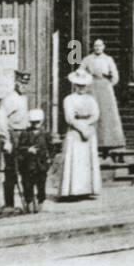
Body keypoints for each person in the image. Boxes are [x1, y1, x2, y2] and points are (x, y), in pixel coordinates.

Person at [60, 69, 101, 198]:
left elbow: (95, 114)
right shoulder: (69, 99)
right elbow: (69, 118)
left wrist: (87, 124)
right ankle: (73, 190)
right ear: (74, 85)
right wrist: (80, 127)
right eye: (79, 85)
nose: (81, 88)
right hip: (75, 131)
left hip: (88, 129)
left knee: (87, 160)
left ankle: (87, 189)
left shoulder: (91, 99)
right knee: (76, 160)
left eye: (83, 85)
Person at [79, 39, 125, 151]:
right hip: (91, 87)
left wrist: (108, 84)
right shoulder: (87, 59)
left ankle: (109, 141)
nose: (97, 48)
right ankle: (92, 139)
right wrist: (86, 80)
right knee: (92, 111)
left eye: (99, 46)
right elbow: (80, 71)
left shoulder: (108, 59)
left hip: (105, 88)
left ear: (103, 47)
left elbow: (115, 76)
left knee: (106, 112)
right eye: (95, 46)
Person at [0, 70, 32, 210]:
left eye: (25, 83)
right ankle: (9, 204)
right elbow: (1, 119)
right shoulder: (10, 99)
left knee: (27, 169)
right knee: (11, 170)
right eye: (21, 83)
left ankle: (29, 202)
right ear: (15, 83)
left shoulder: (24, 98)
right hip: (12, 136)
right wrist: (6, 140)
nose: (23, 86)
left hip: (23, 135)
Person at [15, 108, 52, 213]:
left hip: (41, 165)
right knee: (28, 185)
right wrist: (28, 150)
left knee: (41, 185)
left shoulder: (46, 134)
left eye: (38, 122)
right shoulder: (25, 134)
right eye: (33, 122)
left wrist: (49, 159)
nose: (35, 124)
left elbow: (52, 148)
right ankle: (29, 204)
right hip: (28, 165)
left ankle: (40, 204)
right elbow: (19, 148)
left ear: (42, 121)